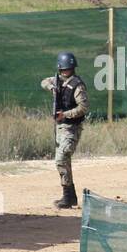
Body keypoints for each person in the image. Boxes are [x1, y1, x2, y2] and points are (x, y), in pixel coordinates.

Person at [40, 52, 88, 210]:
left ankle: (68, 196)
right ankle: (69, 197)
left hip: (72, 128)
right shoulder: (58, 81)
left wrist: (65, 114)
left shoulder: (77, 85)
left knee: (61, 159)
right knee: (64, 162)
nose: (67, 71)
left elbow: (83, 107)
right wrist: (52, 87)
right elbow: (43, 82)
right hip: (60, 128)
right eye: (64, 69)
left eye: (69, 69)